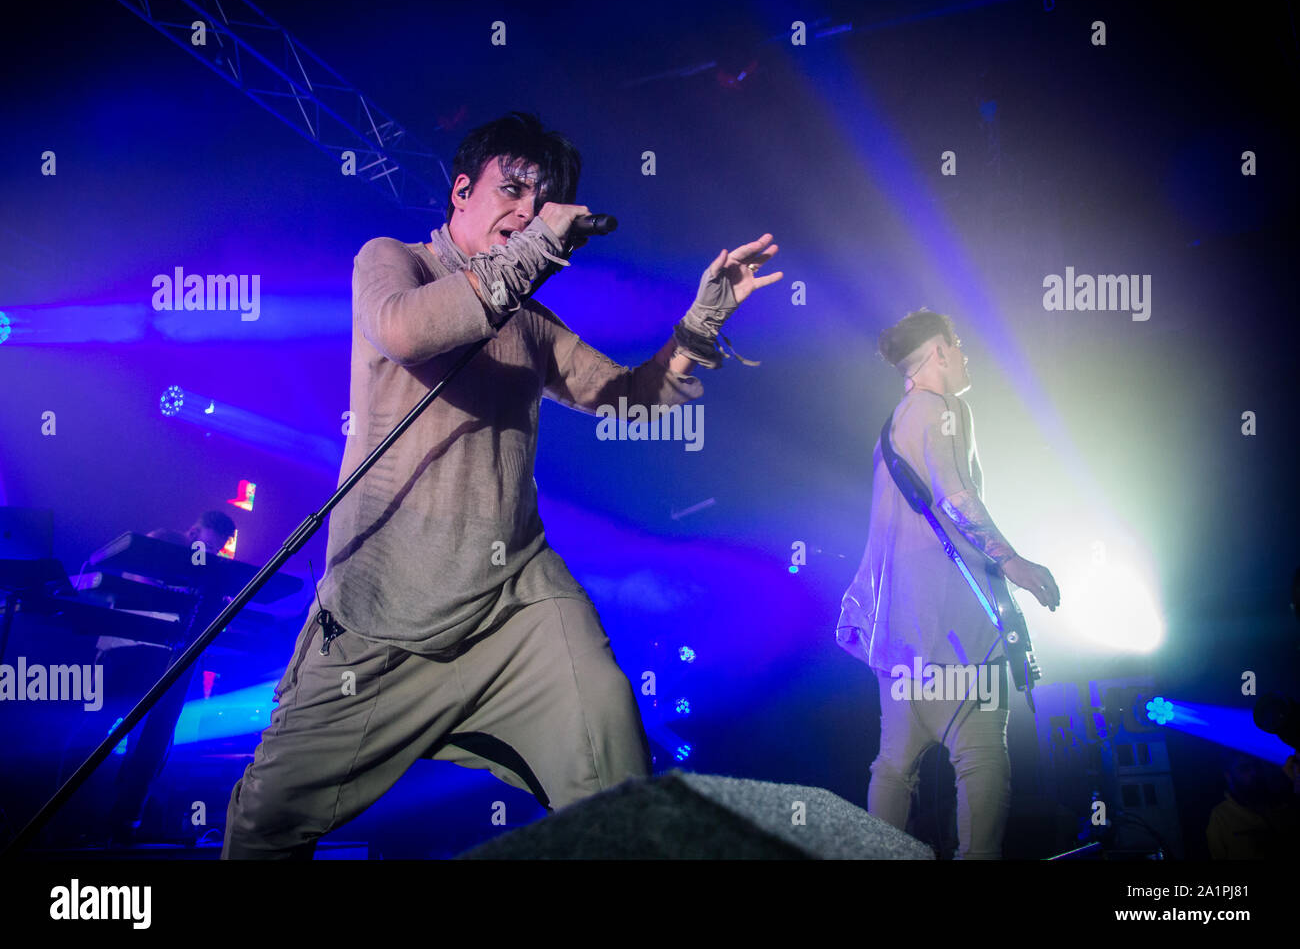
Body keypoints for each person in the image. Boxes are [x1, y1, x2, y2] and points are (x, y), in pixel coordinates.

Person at [222, 111, 781, 858]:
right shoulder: (393, 261)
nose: (526, 210)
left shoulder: (532, 323)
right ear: (460, 191)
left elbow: (630, 400)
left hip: (513, 603)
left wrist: (699, 325)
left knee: (614, 763)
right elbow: (405, 329)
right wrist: (539, 243)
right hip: (381, 619)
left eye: (540, 199)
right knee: (266, 824)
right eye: (511, 189)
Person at [835, 308, 1059, 859]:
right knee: (981, 759)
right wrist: (1015, 564)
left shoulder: (893, 424)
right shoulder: (947, 409)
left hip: (899, 635)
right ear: (937, 351)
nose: (964, 354)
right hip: (955, 627)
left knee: (892, 767)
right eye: (957, 345)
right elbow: (956, 497)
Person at [93, 510, 237, 845]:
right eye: (205, 545)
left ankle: (124, 820)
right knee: (96, 731)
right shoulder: (166, 540)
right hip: (127, 649)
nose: (207, 554)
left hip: (169, 655)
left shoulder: (208, 567)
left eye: (214, 550)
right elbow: (143, 583)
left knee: (154, 741)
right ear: (192, 529)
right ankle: (70, 816)